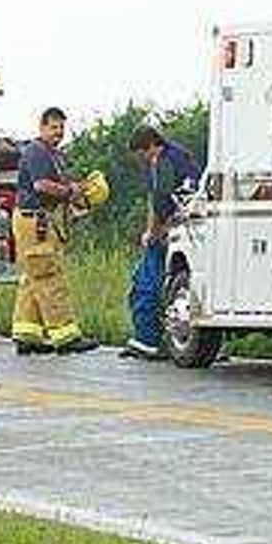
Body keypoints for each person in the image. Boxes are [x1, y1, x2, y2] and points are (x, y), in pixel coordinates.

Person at [11, 107, 100, 356]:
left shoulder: (55, 155)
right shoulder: (37, 151)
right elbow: (42, 185)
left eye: (61, 127)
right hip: (34, 221)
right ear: (41, 127)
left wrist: (78, 192)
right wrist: (71, 193)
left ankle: (27, 334)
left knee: (33, 277)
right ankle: (65, 336)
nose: (58, 132)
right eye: (53, 127)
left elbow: (60, 186)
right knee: (48, 275)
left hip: (40, 220)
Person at [121, 124, 202, 360]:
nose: (142, 160)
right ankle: (184, 339)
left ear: (151, 147)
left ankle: (147, 340)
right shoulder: (180, 155)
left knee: (145, 284)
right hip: (190, 228)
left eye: (141, 154)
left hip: (172, 232)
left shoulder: (163, 162)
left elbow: (160, 201)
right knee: (182, 287)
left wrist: (153, 233)